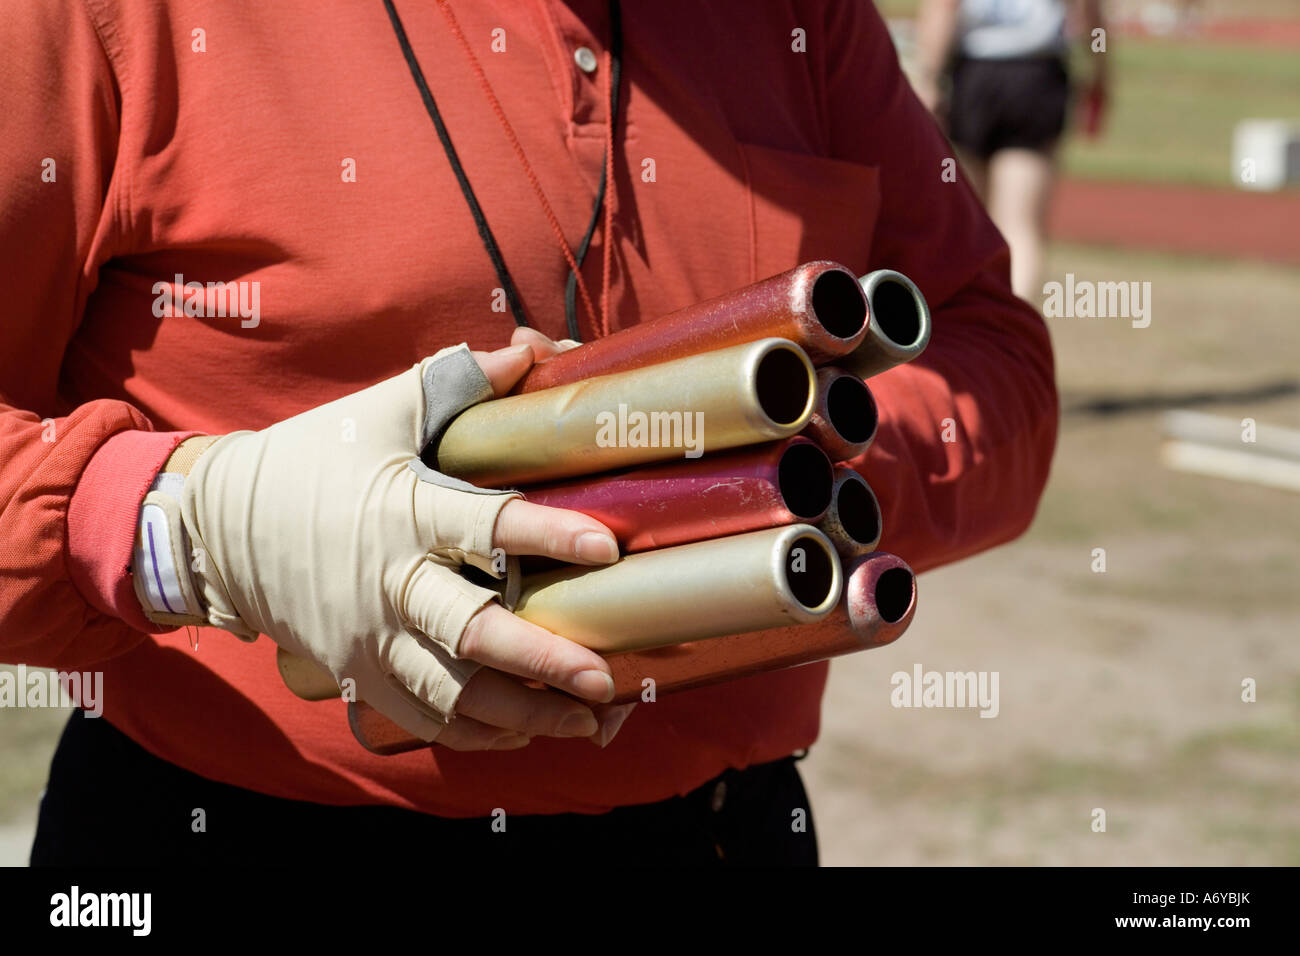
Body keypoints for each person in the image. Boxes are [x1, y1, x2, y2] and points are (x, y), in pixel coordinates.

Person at [0, 0, 1057, 866]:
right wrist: (185, 527)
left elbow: (995, 367)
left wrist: (762, 492)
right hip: (239, 830)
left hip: (721, 831)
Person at [913, 0, 1109, 300]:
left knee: (968, 221)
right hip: (1036, 75)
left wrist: (929, 78)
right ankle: (1012, 329)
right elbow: (1088, 11)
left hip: (974, 76)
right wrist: (1100, 74)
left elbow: (942, 8)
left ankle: (965, 325)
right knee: (1021, 226)